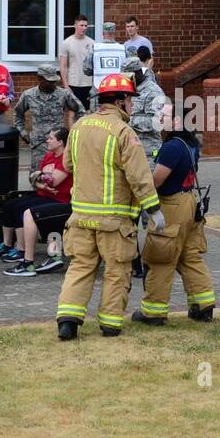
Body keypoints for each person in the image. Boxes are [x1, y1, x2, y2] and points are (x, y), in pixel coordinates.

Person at [55, 72, 162, 340]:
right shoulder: (124, 132)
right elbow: (139, 176)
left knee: (80, 267)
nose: (132, 105)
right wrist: (154, 210)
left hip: (79, 217)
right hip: (114, 221)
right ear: (122, 100)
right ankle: (111, 324)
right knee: (117, 271)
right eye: (130, 100)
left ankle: (68, 320)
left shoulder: (78, 126)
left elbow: (67, 165)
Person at [132, 119, 215, 325]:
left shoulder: (172, 146)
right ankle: (203, 305)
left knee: (161, 257)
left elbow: (157, 181)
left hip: (171, 206)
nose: (158, 123)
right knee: (189, 255)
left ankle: (153, 313)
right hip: (188, 202)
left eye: (163, 119)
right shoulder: (190, 143)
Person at [0, 127, 72, 276]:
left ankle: (27, 262)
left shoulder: (66, 159)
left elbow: (53, 182)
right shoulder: (49, 156)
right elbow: (33, 179)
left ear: (61, 142)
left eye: (51, 138)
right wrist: (40, 180)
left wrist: (40, 177)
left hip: (61, 200)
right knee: (13, 204)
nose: (47, 140)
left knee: (28, 213)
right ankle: (49, 255)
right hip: (45, 195)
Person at [14, 63, 84, 170]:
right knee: (37, 175)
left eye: (54, 81)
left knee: (60, 174)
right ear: (39, 78)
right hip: (39, 144)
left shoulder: (64, 94)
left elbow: (80, 111)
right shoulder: (29, 95)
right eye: (49, 81)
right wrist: (23, 133)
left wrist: (74, 133)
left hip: (58, 143)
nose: (53, 84)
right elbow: (18, 114)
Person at [126, 55, 168, 165]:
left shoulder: (153, 92)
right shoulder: (129, 90)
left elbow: (155, 122)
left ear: (137, 73)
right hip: (131, 149)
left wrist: (127, 120)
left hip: (148, 152)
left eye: (128, 76)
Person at [85, 21, 128, 111]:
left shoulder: (95, 48)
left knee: (97, 119)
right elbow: (129, 71)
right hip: (118, 91)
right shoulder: (123, 49)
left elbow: (86, 70)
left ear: (103, 33)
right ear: (114, 32)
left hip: (98, 91)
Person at [59, 14, 95, 109]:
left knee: (88, 112)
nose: (84, 28)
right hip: (73, 84)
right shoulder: (66, 43)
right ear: (75, 25)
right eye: (81, 25)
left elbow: (95, 65)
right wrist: (66, 85)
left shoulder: (92, 43)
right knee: (71, 112)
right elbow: (63, 66)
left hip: (88, 84)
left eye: (85, 26)